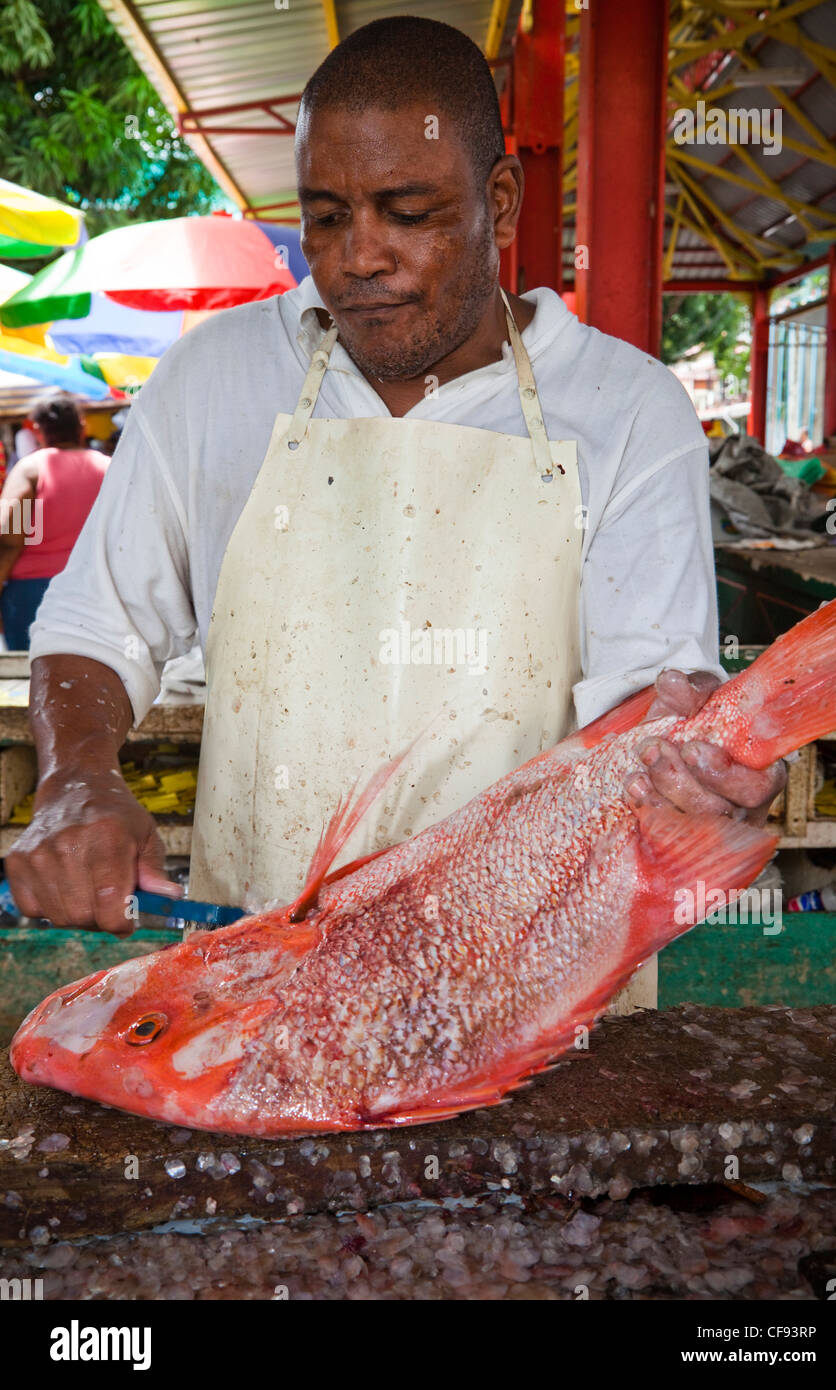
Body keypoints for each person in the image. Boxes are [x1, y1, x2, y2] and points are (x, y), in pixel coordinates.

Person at [7, 19, 784, 1000]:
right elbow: (94, 625)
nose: (355, 259)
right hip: (257, 992)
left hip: (535, 998)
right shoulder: (213, 378)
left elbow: (641, 723)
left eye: (404, 210)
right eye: (326, 216)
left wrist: (683, 766)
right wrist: (76, 776)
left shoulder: (629, 411)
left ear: (497, 202)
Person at [0, 392, 108, 649]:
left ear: (38, 430)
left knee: (28, 678)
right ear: (82, 426)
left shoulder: (31, 469)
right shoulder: (110, 467)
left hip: (33, 593)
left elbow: (10, 535)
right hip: (97, 588)